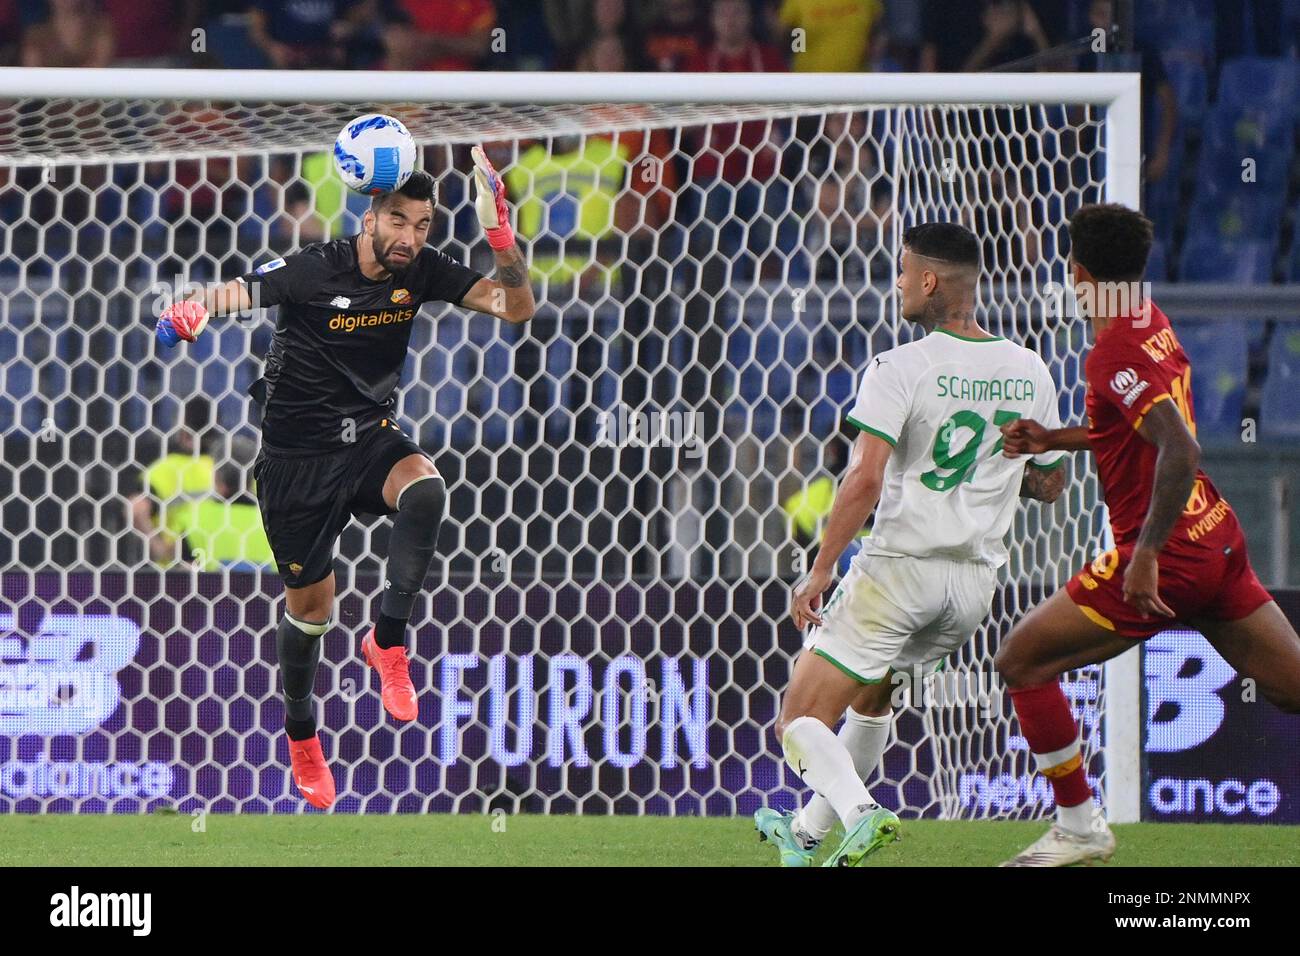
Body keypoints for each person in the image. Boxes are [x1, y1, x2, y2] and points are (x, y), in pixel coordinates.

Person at [154, 151, 535, 810]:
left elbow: (517, 306)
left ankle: (389, 641)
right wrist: (193, 311)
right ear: (369, 215)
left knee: (426, 487)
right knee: (311, 612)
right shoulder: (316, 267)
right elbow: (239, 290)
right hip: (295, 461)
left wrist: (501, 238)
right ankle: (302, 737)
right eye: (398, 221)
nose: (409, 237)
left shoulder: (422, 269)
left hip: (368, 439)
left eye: (422, 225)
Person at [996, 203, 1300, 866]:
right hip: (1217, 535)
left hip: (1173, 554)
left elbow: (1180, 447)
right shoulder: (1148, 320)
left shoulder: (1113, 352)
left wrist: (1147, 556)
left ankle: (1079, 827)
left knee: (1021, 660)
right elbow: (1133, 426)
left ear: (1077, 272)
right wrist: (1056, 439)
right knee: (1292, 687)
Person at [761, 223, 1067, 866]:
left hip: (899, 573)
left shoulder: (899, 367)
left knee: (798, 718)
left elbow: (864, 478)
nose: (897, 283)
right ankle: (808, 837)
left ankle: (861, 812)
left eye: (903, 272)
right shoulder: (1030, 368)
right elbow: (1049, 484)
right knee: (871, 697)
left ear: (928, 280)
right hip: (972, 590)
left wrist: (818, 570)